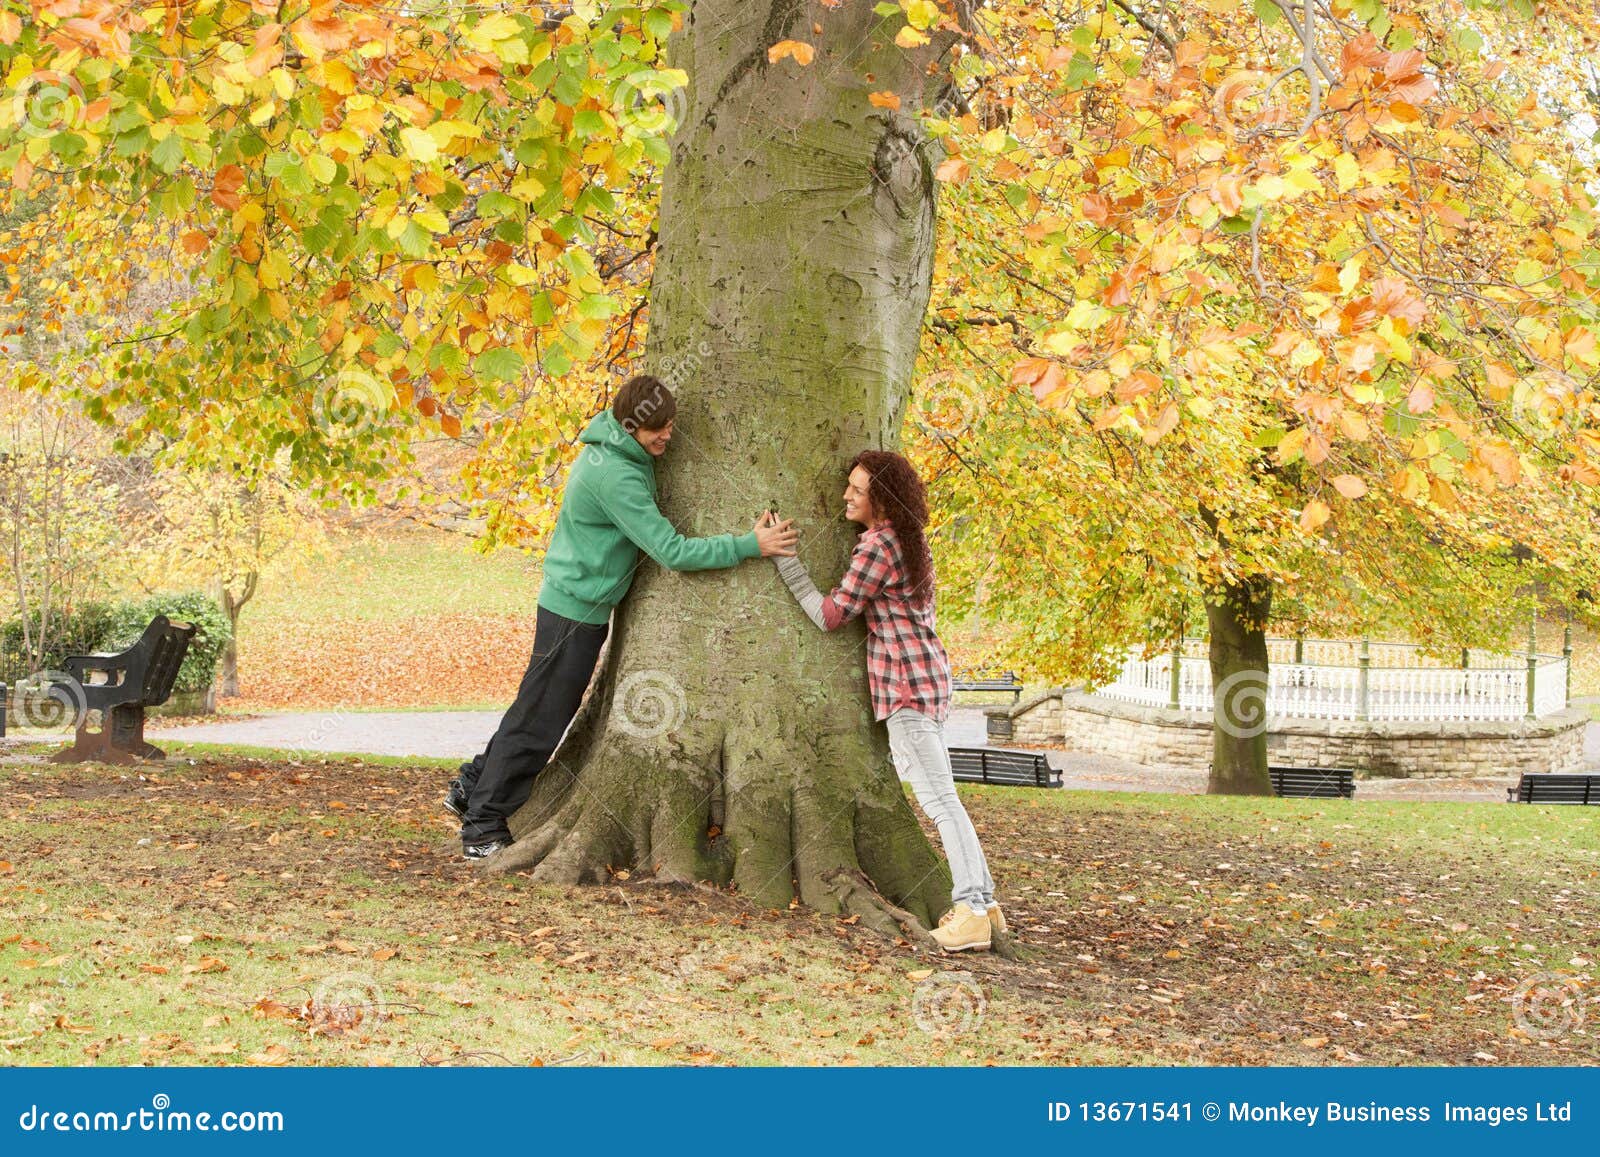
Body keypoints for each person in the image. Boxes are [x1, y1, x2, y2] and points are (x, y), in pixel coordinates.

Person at [448, 374, 798, 860]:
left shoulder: (617, 451)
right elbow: (672, 551)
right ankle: (482, 827)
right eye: (658, 428)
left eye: (670, 424)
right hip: (574, 612)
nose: (668, 435)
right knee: (541, 720)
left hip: (573, 603)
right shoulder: (615, 475)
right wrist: (749, 545)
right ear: (630, 426)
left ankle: (471, 785)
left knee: (536, 706)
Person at [766, 450, 1002, 952]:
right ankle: (986, 905)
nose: (846, 495)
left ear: (883, 498)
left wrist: (786, 561)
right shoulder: (910, 540)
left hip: (905, 687)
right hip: (928, 679)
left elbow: (831, 615)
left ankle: (972, 910)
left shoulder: (878, 546)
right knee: (947, 800)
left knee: (941, 803)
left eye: (858, 489)